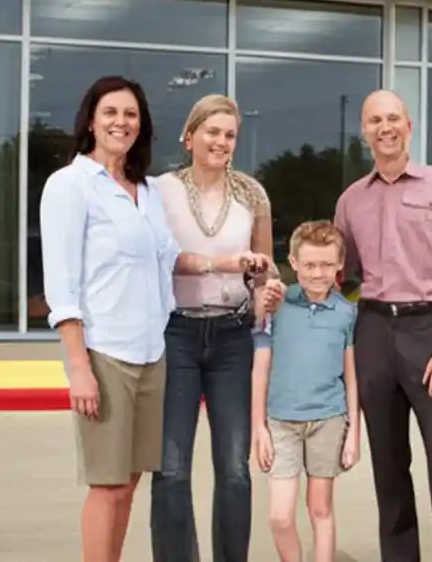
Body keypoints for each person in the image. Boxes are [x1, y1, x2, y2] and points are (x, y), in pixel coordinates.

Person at [39, 76, 270, 562]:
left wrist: (229, 264)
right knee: (108, 484)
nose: (121, 122)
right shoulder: (70, 185)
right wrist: (79, 367)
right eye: (111, 112)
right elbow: (62, 287)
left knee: (128, 482)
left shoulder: (143, 191)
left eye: (130, 114)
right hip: (106, 352)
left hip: (152, 354)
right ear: (91, 121)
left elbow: (169, 257)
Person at [333, 90, 432, 562]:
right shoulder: (350, 200)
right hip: (374, 332)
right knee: (388, 466)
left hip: (430, 331)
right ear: (364, 131)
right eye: (375, 120)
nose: (385, 128)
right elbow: (338, 277)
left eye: (393, 118)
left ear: (409, 126)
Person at [151, 94, 285, 562]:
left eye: (230, 135)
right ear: (189, 136)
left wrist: (268, 292)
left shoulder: (252, 193)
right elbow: (155, 259)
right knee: (171, 469)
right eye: (212, 131)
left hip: (232, 336)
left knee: (234, 470)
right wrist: (221, 263)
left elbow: (265, 269)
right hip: (175, 333)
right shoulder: (160, 191)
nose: (222, 141)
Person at [250, 220, 361, 562]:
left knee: (320, 509)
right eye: (309, 264)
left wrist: (354, 432)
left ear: (339, 264)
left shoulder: (347, 313)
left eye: (327, 265)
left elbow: (351, 376)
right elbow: (261, 367)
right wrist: (259, 427)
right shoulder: (277, 305)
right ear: (294, 262)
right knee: (279, 517)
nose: (317, 273)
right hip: (280, 423)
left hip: (328, 420)